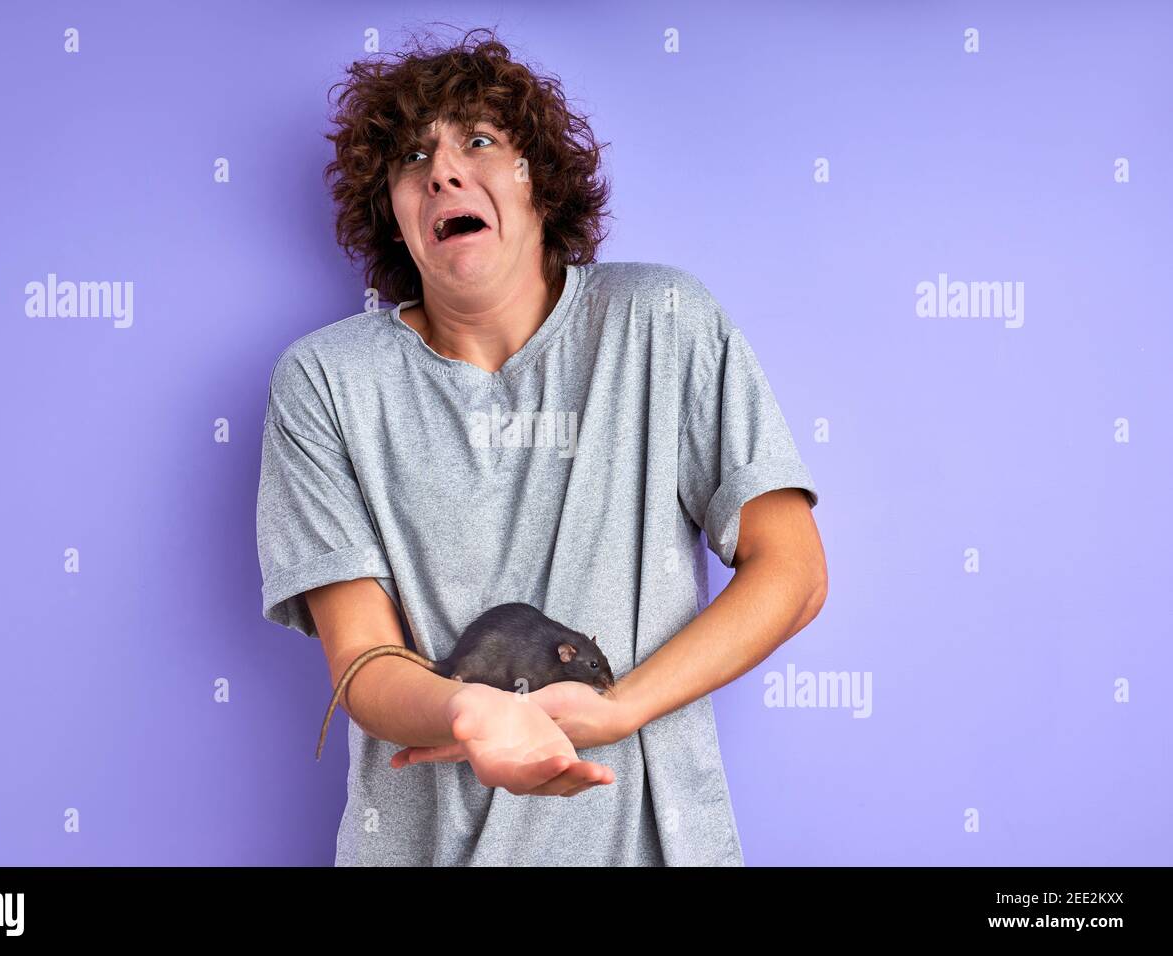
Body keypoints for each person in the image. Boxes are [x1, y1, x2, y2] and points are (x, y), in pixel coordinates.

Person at [255, 27, 827, 866]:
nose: (443, 170)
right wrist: (468, 711)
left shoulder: (661, 321)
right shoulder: (326, 379)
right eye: (414, 158)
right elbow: (363, 661)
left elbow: (795, 571)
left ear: (539, 186)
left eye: (478, 141)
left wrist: (621, 708)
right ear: (397, 218)